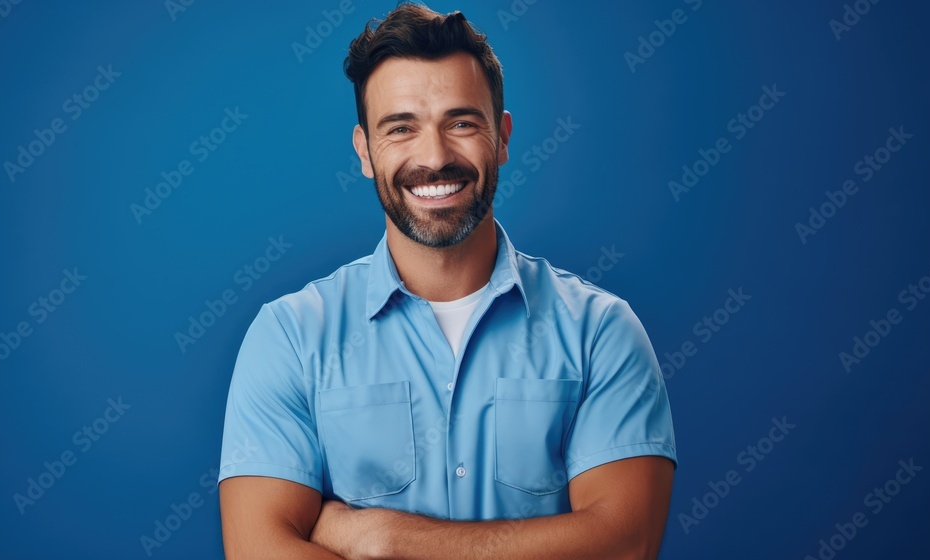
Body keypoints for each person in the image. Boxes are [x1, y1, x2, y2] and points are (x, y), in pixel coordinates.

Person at [218, 4, 677, 558]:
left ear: (502, 138)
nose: (434, 158)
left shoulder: (601, 332)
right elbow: (258, 551)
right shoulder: (289, 338)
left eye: (461, 123)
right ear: (365, 151)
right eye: (401, 128)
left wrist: (386, 539)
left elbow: (623, 547)